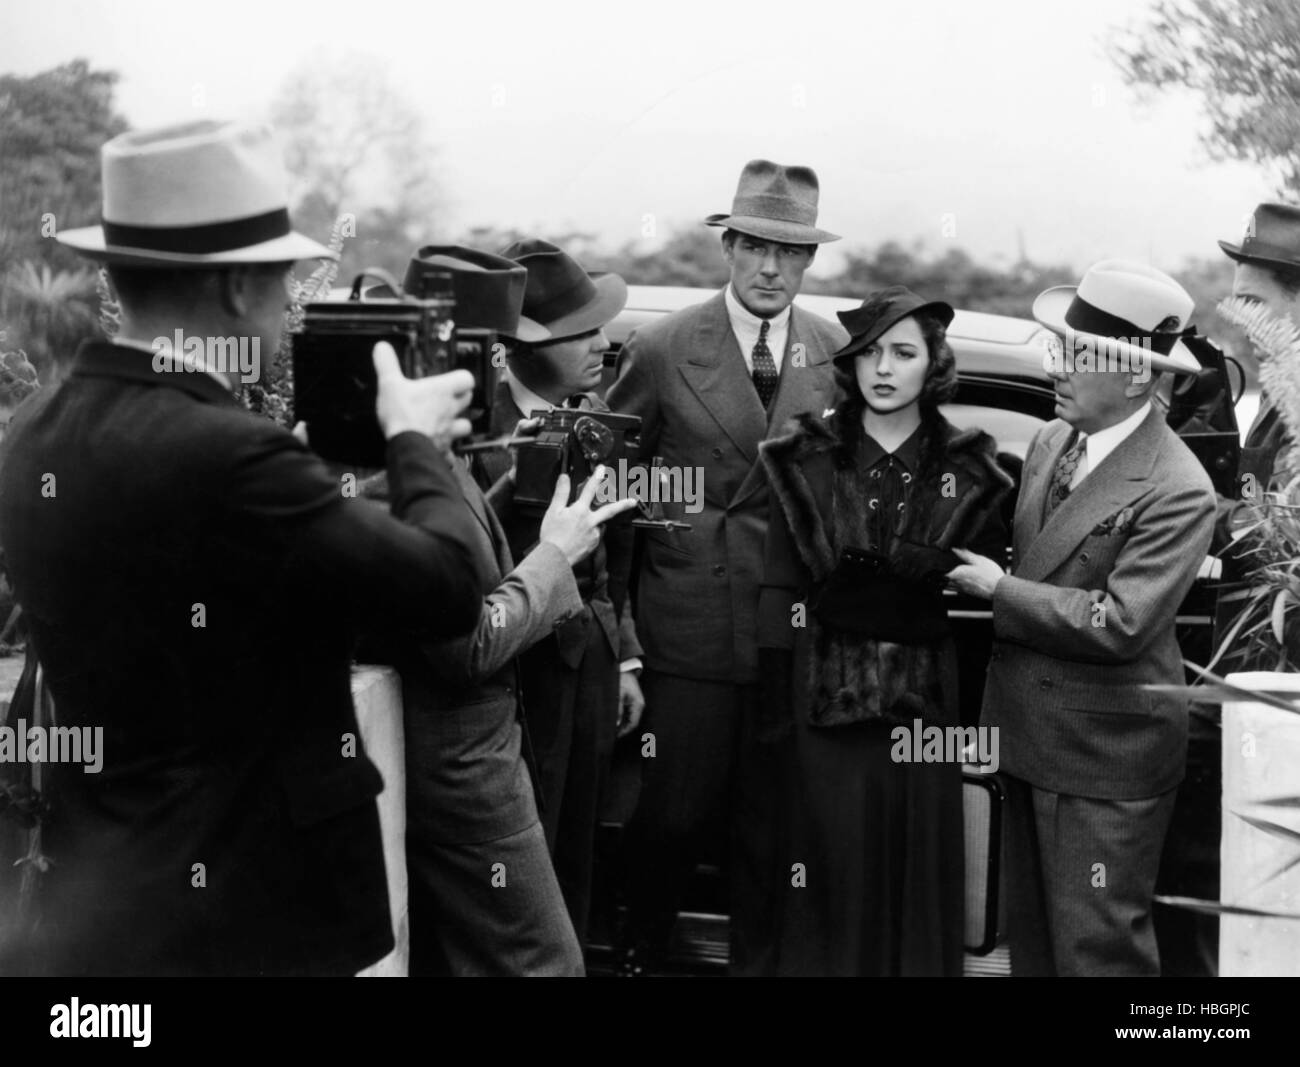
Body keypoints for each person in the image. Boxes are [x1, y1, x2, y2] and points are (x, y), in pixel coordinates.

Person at [0, 119, 485, 976]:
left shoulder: (35, 432)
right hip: (254, 916)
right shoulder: (232, 458)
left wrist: (296, 489)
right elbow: (448, 587)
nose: (282, 306)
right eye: (279, 281)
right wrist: (415, 444)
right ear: (233, 291)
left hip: (107, 910)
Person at [606, 160, 847, 975]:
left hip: (792, 642)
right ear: (730, 247)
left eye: (791, 252)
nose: (773, 269)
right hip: (687, 641)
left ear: (810, 261)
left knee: (773, 838)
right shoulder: (665, 347)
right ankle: (638, 956)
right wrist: (625, 646)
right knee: (666, 828)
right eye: (756, 248)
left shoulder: (837, 350)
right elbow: (612, 512)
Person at [949, 259, 1217, 976]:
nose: (1056, 366)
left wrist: (1001, 591)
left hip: (1104, 759)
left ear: (1136, 376)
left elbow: (1120, 621)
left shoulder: (1178, 486)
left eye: (1076, 353)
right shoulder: (1049, 441)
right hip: (1030, 740)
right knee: (1033, 947)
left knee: (1096, 950)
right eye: (1059, 346)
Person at [757, 287, 1011, 975]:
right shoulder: (800, 458)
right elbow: (786, 589)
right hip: (822, 701)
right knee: (828, 873)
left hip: (921, 707)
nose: (884, 367)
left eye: (904, 352)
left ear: (935, 364)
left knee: (915, 884)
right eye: (870, 352)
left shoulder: (972, 468)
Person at [472, 238, 642, 948]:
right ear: (516, 348)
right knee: (513, 872)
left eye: (601, 327)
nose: (603, 344)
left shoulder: (601, 421)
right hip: (501, 681)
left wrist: (624, 658)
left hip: (587, 674)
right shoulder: (468, 431)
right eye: (582, 332)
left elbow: (623, 553)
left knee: (575, 856)